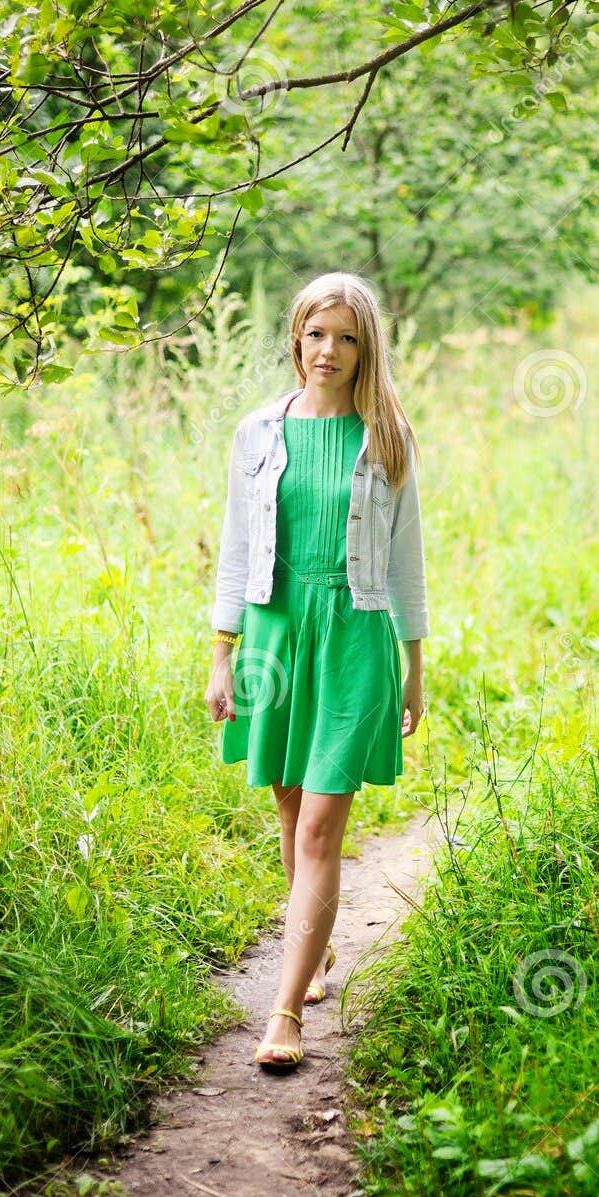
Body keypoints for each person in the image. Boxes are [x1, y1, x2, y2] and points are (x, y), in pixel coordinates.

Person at [204, 273, 430, 1073]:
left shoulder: (388, 436)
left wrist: (412, 665)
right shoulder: (258, 431)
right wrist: (222, 652)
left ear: (365, 348)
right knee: (288, 807)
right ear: (295, 338)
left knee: (318, 827)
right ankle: (318, 948)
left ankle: (284, 1009)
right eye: (314, 333)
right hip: (273, 630)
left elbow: (405, 563)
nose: (326, 350)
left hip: (351, 634)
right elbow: (237, 543)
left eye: (344, 337)